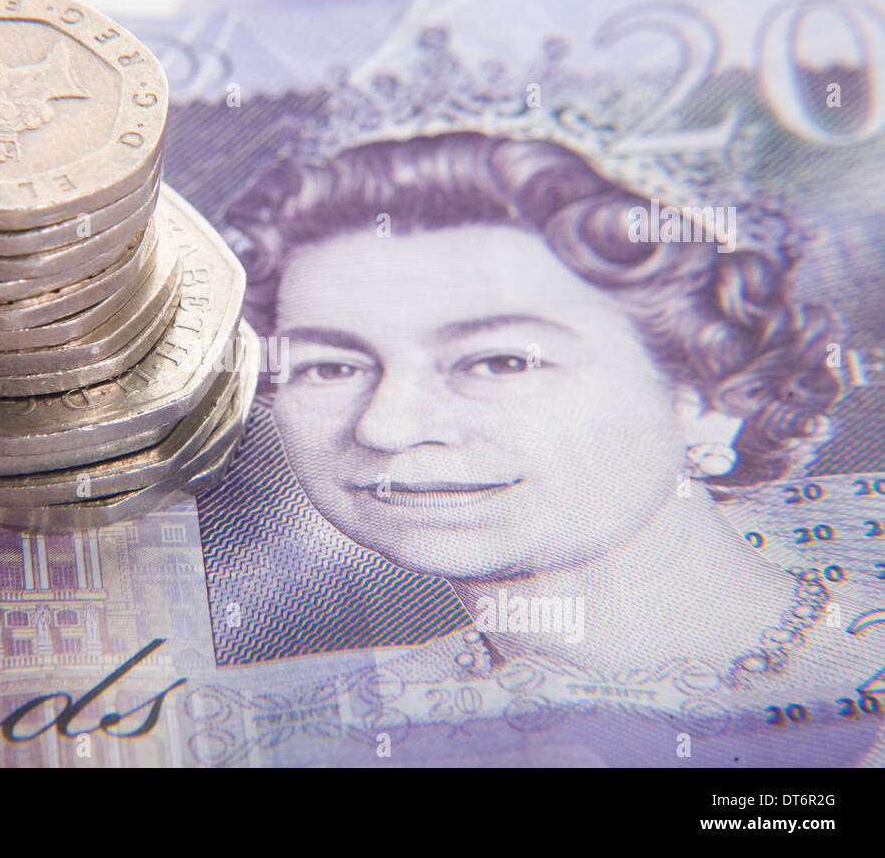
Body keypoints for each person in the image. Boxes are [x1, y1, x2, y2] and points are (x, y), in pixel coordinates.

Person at [215, 130, 859, 688]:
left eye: (501, 362)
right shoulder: (319, 719)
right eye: (330, 368)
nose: (387, 427)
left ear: (710, 400)